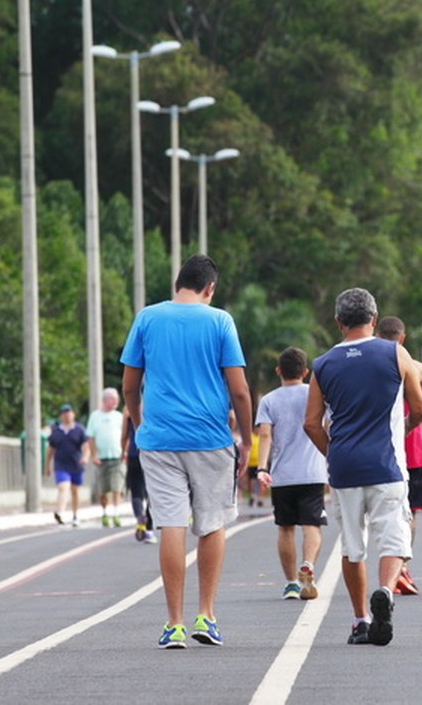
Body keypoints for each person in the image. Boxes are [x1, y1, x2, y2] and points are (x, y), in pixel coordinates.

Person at [121, 254, 253, 649]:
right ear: (209, 288)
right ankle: (206, 615)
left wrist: (140, 423)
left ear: (177, 283)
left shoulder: (147, 317)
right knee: (212, 523)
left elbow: (130, 384)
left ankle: (173, 623)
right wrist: (247, 440)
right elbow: (240, 390)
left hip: (159, 439)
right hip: (210, 438)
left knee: (171, 525)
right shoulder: (219, 321)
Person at [303, 288, 422, 647]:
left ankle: (360, 620)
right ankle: (385, 591)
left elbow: (311, 423)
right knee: (394, 538)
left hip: (344, 467)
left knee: (352, 547)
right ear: (374, 318)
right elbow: (418, 408)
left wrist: (334, 452)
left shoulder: (323, 364)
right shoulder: (395, 353)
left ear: (339, 323)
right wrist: (402, 432)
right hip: (386, 464)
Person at [255, 347, 327, 601]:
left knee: (285, 529)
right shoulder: (315, 394)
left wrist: (262, 468)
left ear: (278, 371)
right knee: (312, 525)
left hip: (282, 475)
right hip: (313, 472)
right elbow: (326, 425)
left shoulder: (269, 400)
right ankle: (308, 564)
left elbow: (265, 434)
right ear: (305, 372)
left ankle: (291, 583)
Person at [376, 315, 422, 596]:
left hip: (381, 446)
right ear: (403, 338)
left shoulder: (373, 365)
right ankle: (402, 566)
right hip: (412, 449)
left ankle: (389, 567)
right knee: (411, 509)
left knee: (382, 510)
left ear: (378, 336)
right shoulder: (417, 367)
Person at [86, 387, 125, 528]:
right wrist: (93, 455)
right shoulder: (95, 417)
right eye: (113, 399)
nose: (116, 401)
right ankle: (105, 512)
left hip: (117, 457)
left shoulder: (119, 416)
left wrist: (125, 452)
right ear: (105, 400)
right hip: (101, 458)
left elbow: (125, 436)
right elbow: (90, 437)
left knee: (117, 486)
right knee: (104, 489)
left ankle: (116, 513)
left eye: (117, 399)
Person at [44, 404, 88, 526]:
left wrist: (85, 457)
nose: (67, 415)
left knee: (75, 491)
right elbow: (50, 450)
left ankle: (75, 515)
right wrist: (47, 466)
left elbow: (85, 446)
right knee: (63, 487)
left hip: (76, 464)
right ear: (61, 416)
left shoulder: (79, 430)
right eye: (64, 413)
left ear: (73, 414)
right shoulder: (56, 432)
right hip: (61, 465)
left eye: (69, 412)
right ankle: (60, 511)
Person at [121, 406, 155, 544]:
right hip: (152, 453)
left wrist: (122, 452)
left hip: (134, 454)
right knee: (153, 491)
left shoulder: (128, 409)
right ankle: (149, 529)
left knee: (136, 491)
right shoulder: (155, 404)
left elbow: (124, 435)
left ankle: (140, 516)